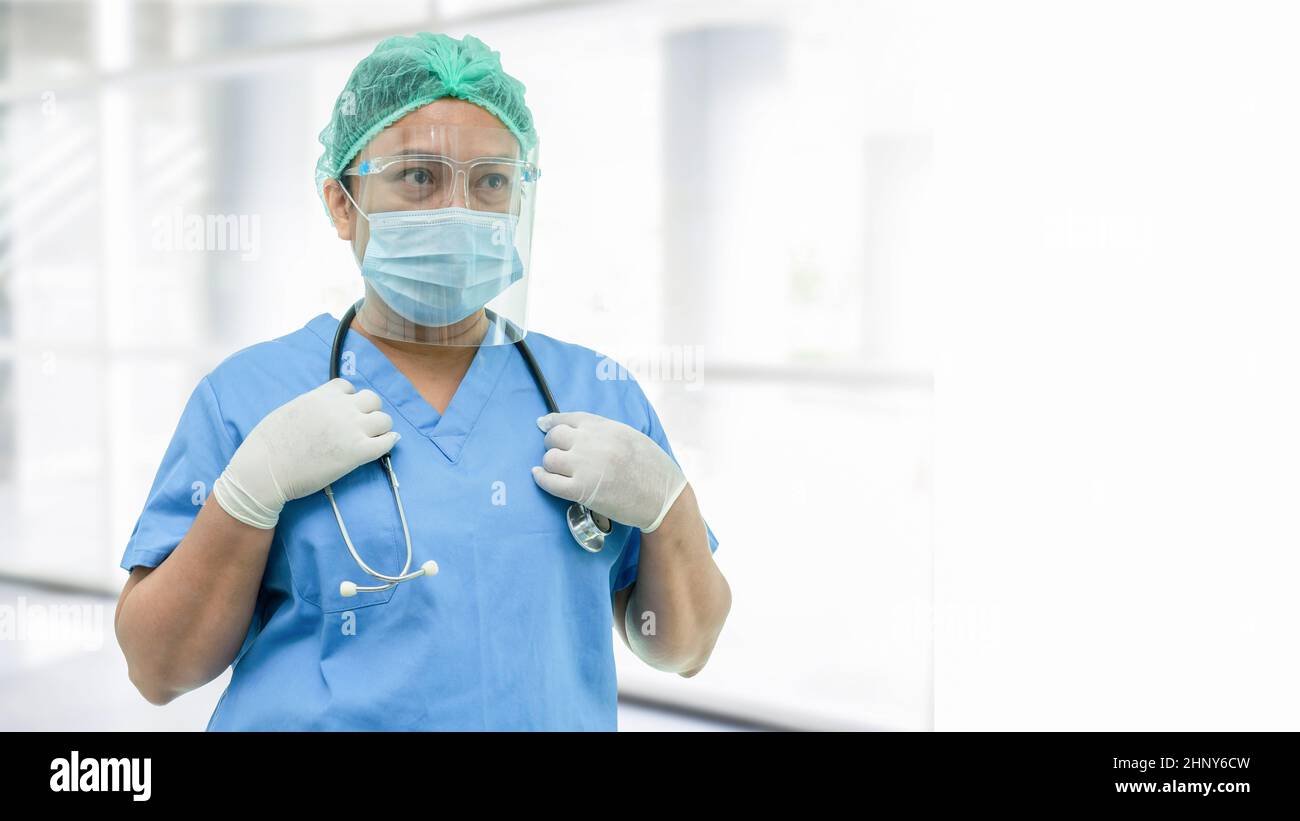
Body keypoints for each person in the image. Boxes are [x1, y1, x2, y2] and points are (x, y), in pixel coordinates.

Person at [112, 33, 731, 731]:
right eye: (418, 175)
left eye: (491, 181)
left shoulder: (596, 392)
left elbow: (682, 647)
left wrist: (670, 508)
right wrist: (249, 493)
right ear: (343, 203)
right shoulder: (248, 395)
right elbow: (159, 669)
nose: (458, 208)